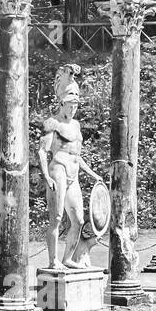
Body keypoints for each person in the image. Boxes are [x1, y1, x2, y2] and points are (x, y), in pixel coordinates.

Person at [38, 64, 103, 270]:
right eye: (70, 105)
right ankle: (52, 260)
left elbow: (77, 155)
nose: (73, 109)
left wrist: (93, 175)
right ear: (62, 104)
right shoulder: (52, 123)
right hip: (58, 170)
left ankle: (68, 258)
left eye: (76, 105)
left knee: (78, 220)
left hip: (73, 174)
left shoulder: (76, 126)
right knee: (57, 218)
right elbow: (42, 151)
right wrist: (47, 176)